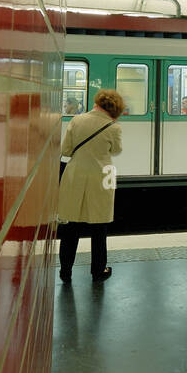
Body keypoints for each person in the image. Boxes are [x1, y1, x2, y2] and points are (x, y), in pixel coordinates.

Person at [57, 88, 124, 284]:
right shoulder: (114, 127)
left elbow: (66, 150)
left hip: (75, 174)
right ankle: (98, 271)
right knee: (99, 227)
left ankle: (65, 272)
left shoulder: (77, 120)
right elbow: (117, 150)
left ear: (97, 103)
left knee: (71, 227)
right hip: (103, 176)